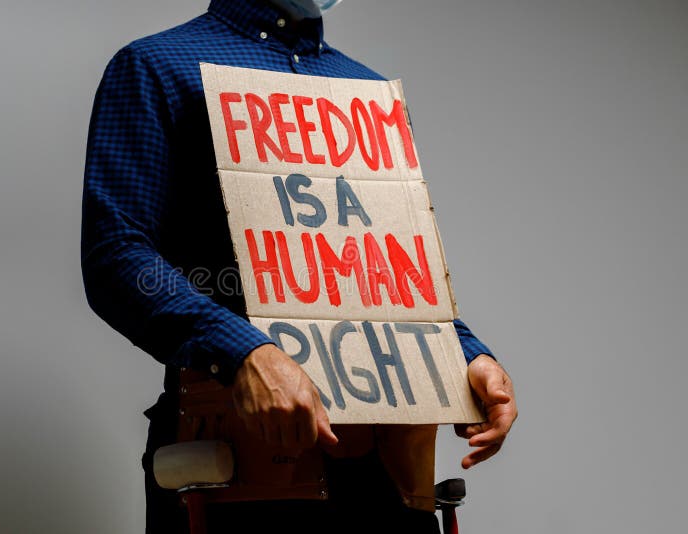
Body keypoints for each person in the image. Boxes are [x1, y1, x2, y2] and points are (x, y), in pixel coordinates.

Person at [81, 0, 518, 532]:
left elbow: (386, 267)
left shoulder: (364, 92)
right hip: (241, 470)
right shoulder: (158, 67)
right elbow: (116, 255)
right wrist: (244, 353)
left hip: (387, 474)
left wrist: (465, 356)